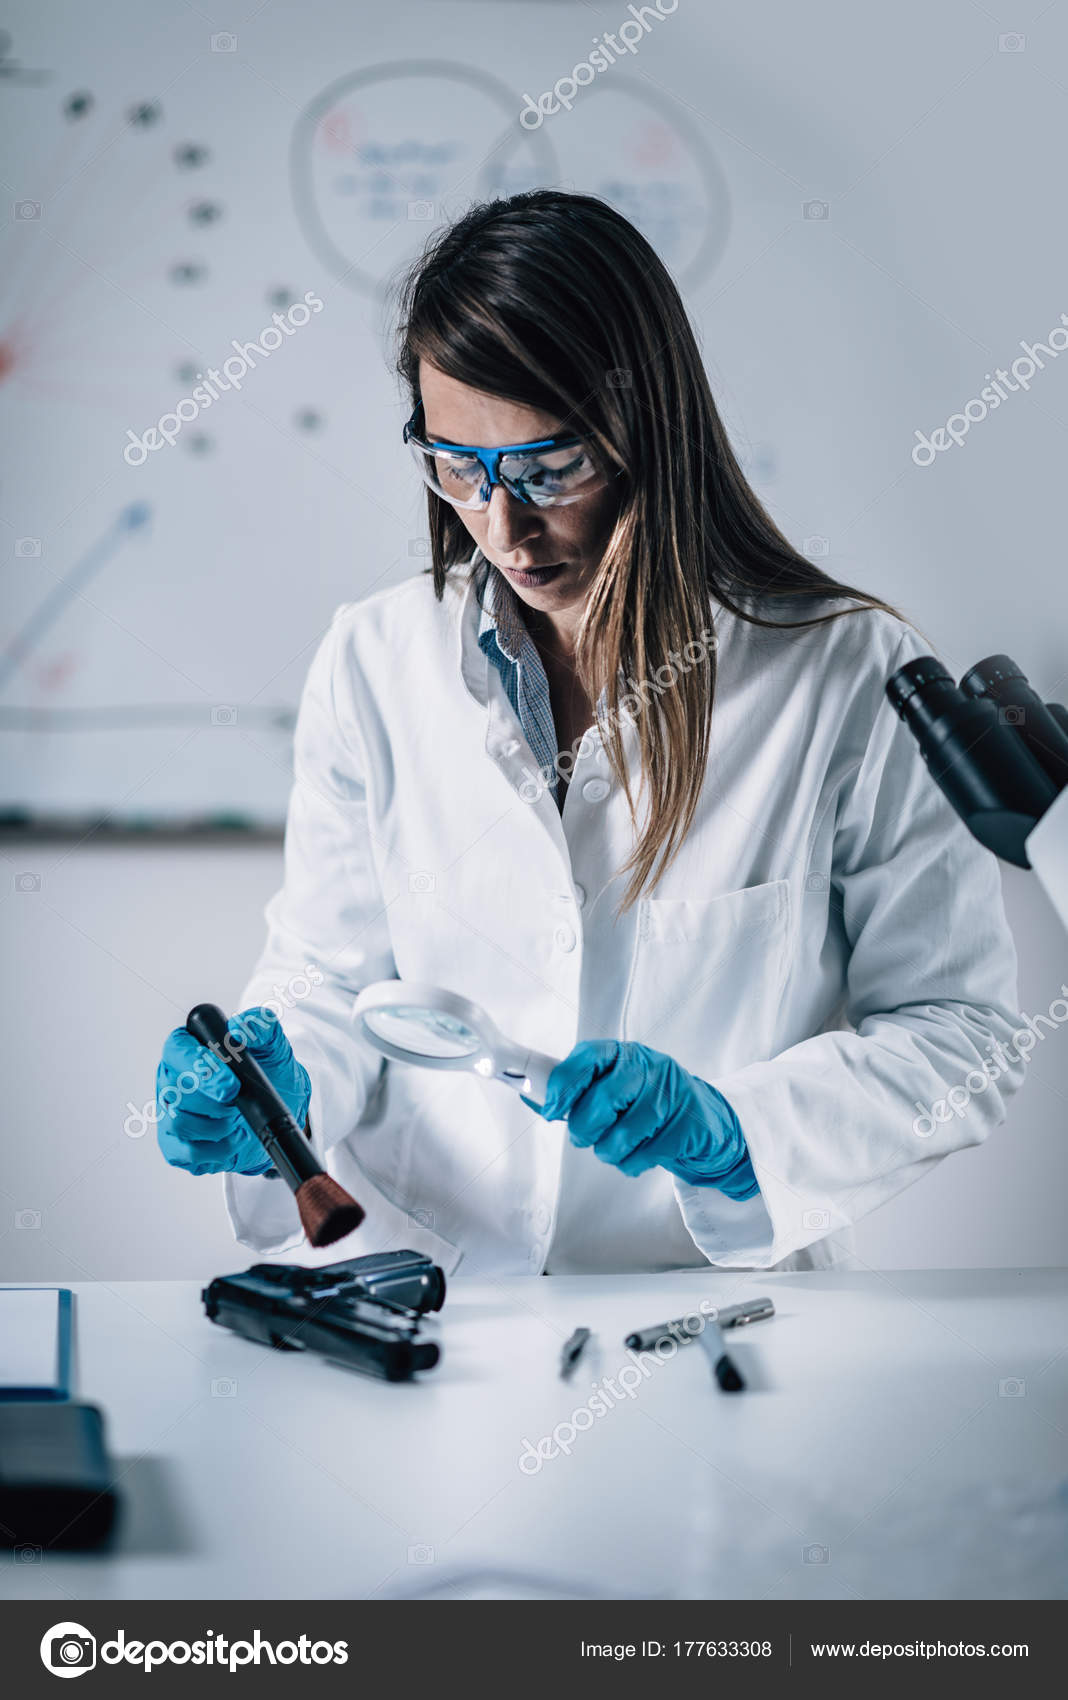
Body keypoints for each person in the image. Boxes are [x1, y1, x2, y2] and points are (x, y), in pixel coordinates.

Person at [154, 189, 1025, 1274]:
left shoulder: (849, 671)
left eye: (548, 467)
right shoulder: (373, 660)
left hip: (713, 1313)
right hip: (429, 1297)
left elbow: (962, 1031)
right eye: (458, 466)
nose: (503, 524)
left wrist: (737, 1128)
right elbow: (331, 980)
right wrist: (279, 1083)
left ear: (645, 427)